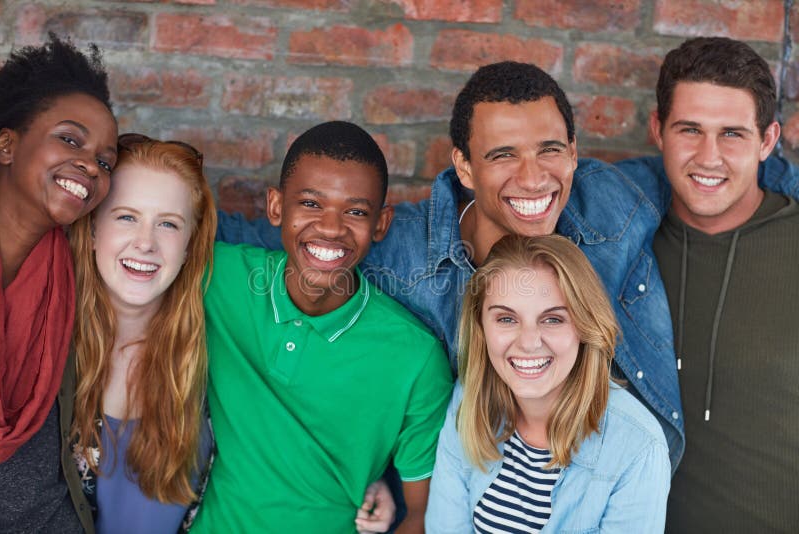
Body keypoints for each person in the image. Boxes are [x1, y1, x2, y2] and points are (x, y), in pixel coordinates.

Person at [215, 62, 688, 472]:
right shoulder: (406, 253)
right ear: (463, 168)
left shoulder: (613, 200)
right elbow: (284, 233)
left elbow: (720, 164)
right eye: (503, 155)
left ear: (574, 152)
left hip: (620, 485)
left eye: (550, 149)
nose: (533, 177)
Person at [191, 121, 453, 533]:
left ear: (381, 224)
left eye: (355, 212)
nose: (331, 227)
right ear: (276, 207)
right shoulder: (216, 278)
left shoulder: (416, 360)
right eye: (311, 204)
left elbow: (425, 515)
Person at [634, 37, 799, 531]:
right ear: (657, 129)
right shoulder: (616, 246)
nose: (709, 157)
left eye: (732, 134)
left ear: (767, 141)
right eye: (690, 129)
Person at [426, 234, 670, 532]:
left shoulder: (637, 446)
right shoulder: (469, 400)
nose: (529, 343)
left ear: (584, 326)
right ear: (481, 326)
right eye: (506, 319)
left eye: (553, 319)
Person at [68, 134, 216, 533]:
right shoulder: (49, 339)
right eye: (126, 216)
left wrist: (364, 478)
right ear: (93, 228)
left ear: (189, 245)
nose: (146, 243)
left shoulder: (216, 351)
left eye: (168, 223)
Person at [0, 35, 118, 532]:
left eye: (106, 161)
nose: (91, 165)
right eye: (70, 139)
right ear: (7, 144)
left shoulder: (79, 275)